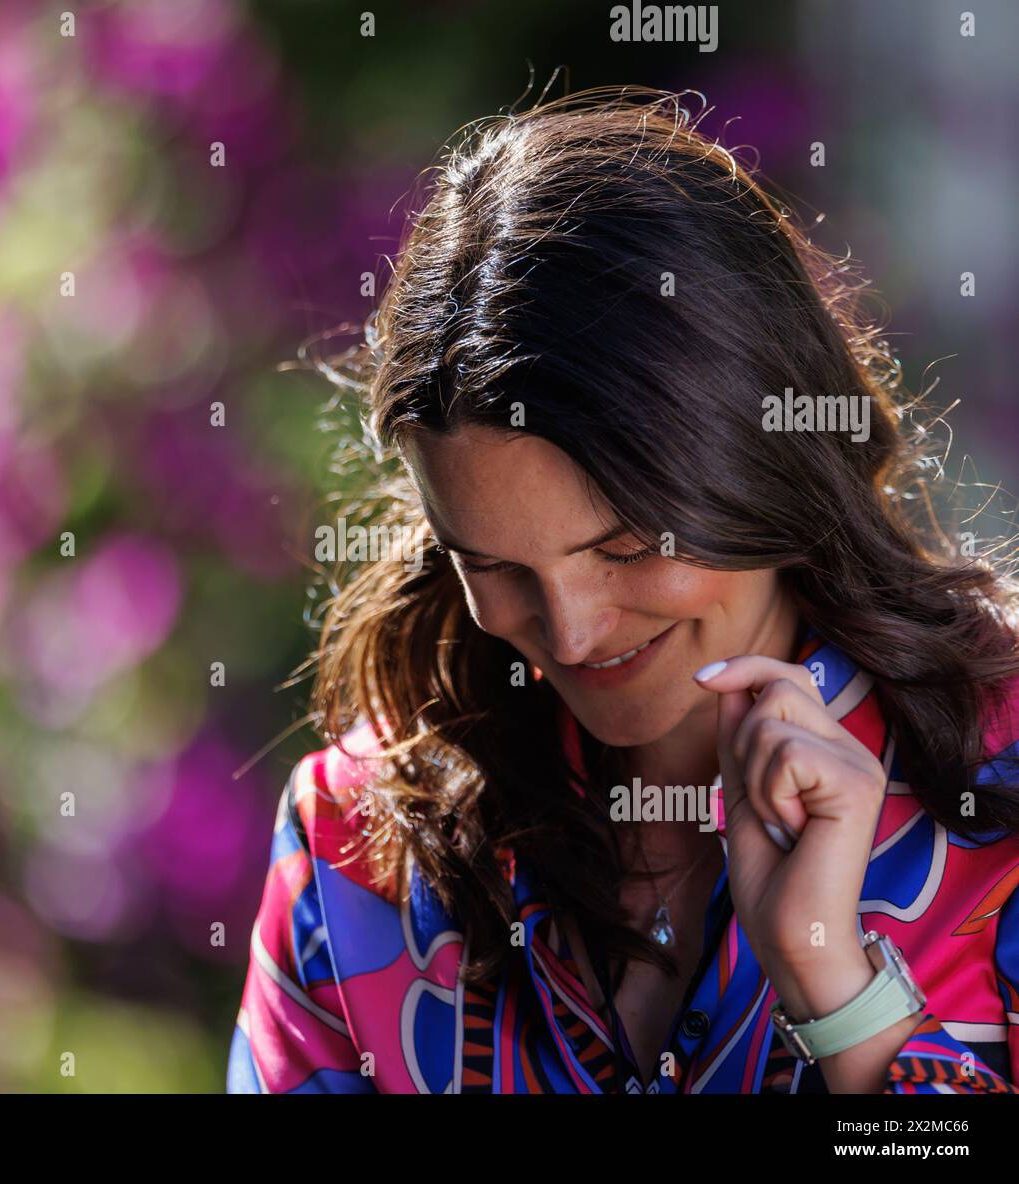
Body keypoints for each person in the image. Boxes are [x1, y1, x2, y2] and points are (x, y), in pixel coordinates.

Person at [225, 87, 1019, 1094]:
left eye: (628, 544)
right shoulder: (354, 853)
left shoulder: (1001, 790)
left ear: (758, 464)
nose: (572, 627)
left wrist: (840, 996)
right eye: (496, 566)